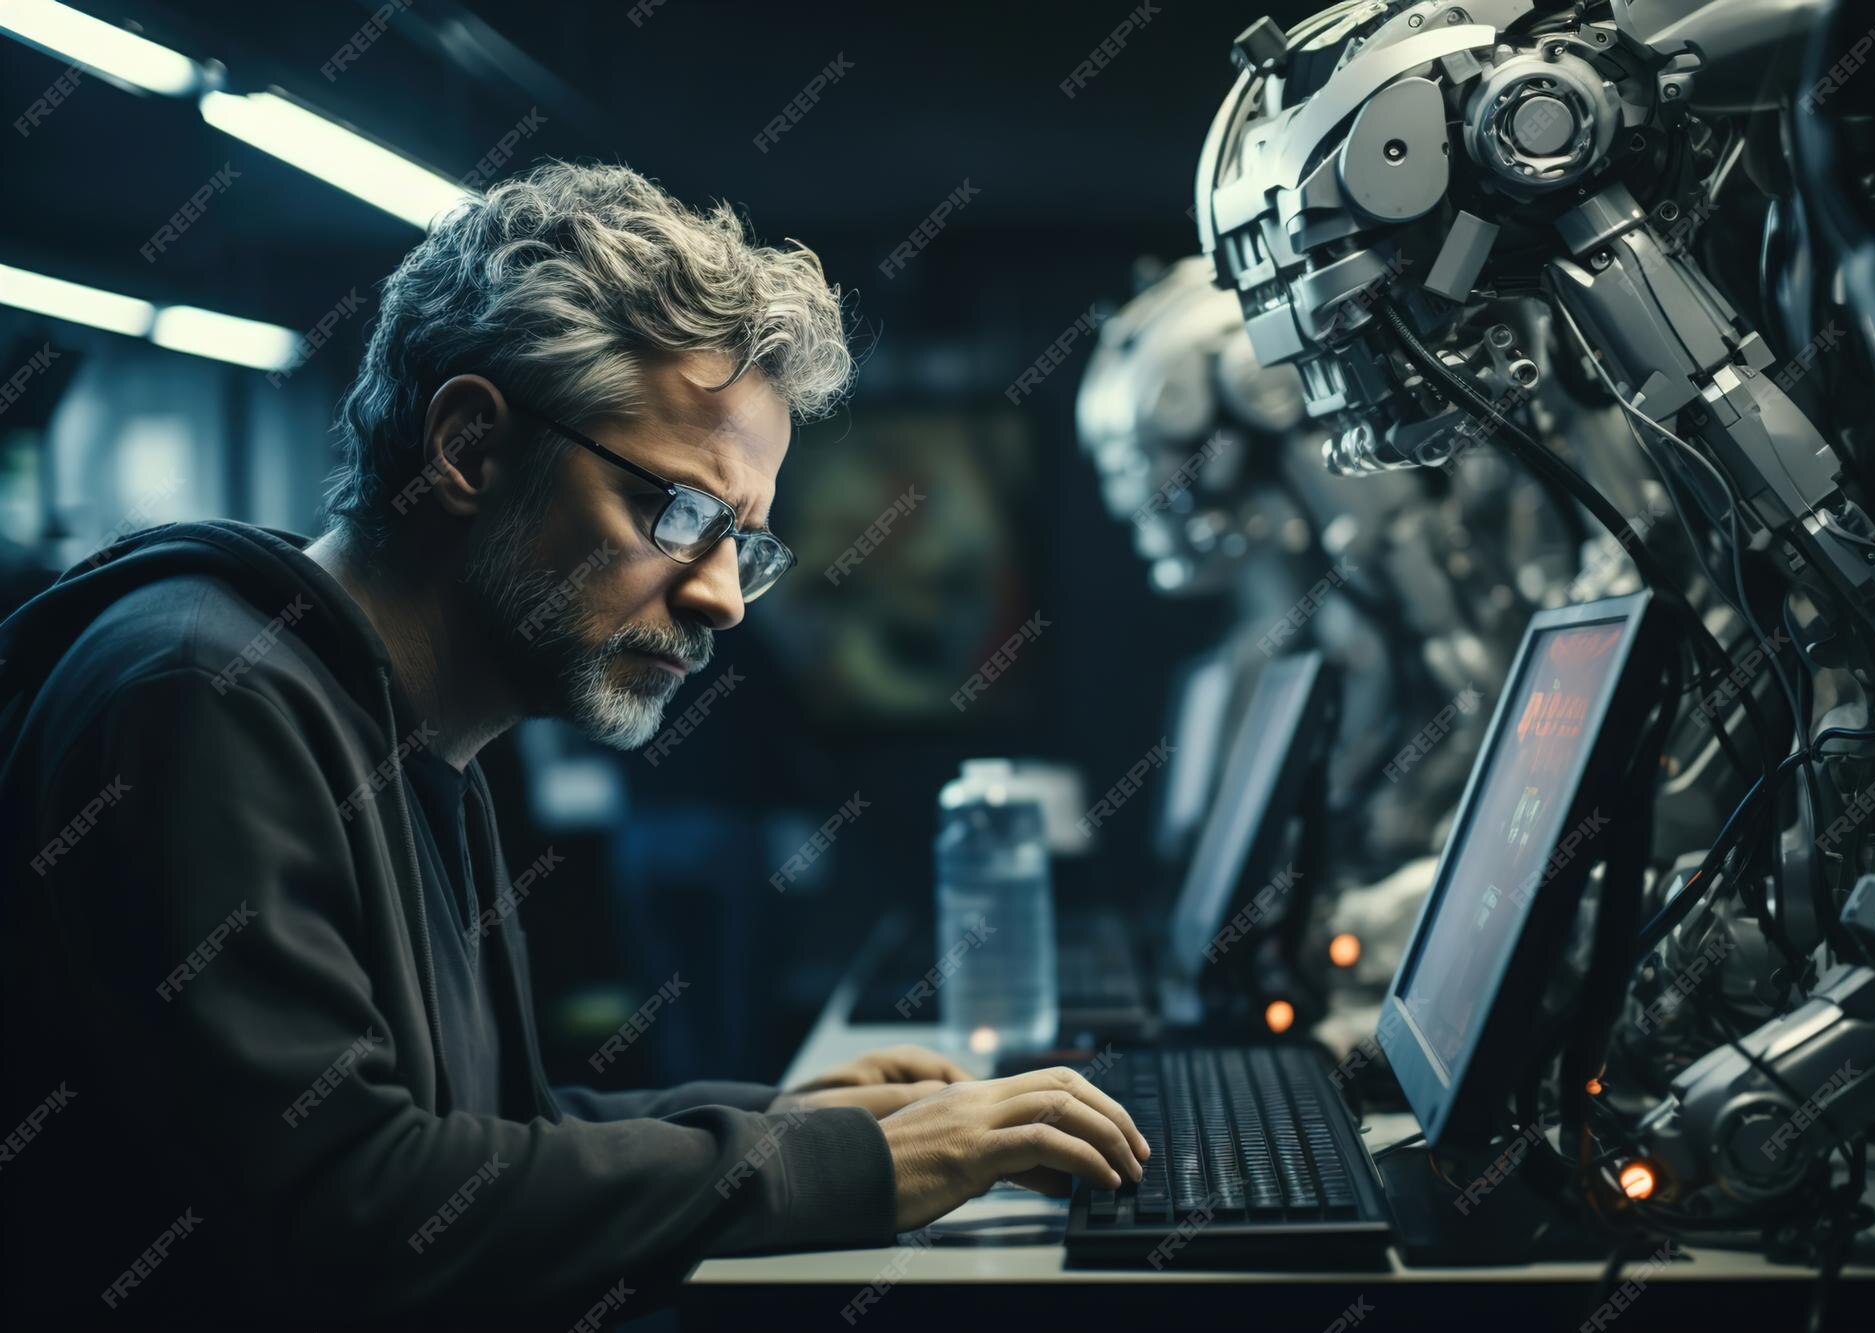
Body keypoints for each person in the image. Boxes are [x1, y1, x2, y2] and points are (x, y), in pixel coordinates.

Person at [0, 162, 1145, 1327]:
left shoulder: (414, 730)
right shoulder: (203, 693)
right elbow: (353, 1206)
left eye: (743, 544)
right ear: (467, 449)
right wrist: (843, 1169)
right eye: (678, 513)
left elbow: (489, 1139)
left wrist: (800, 1122)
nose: (722, 600)